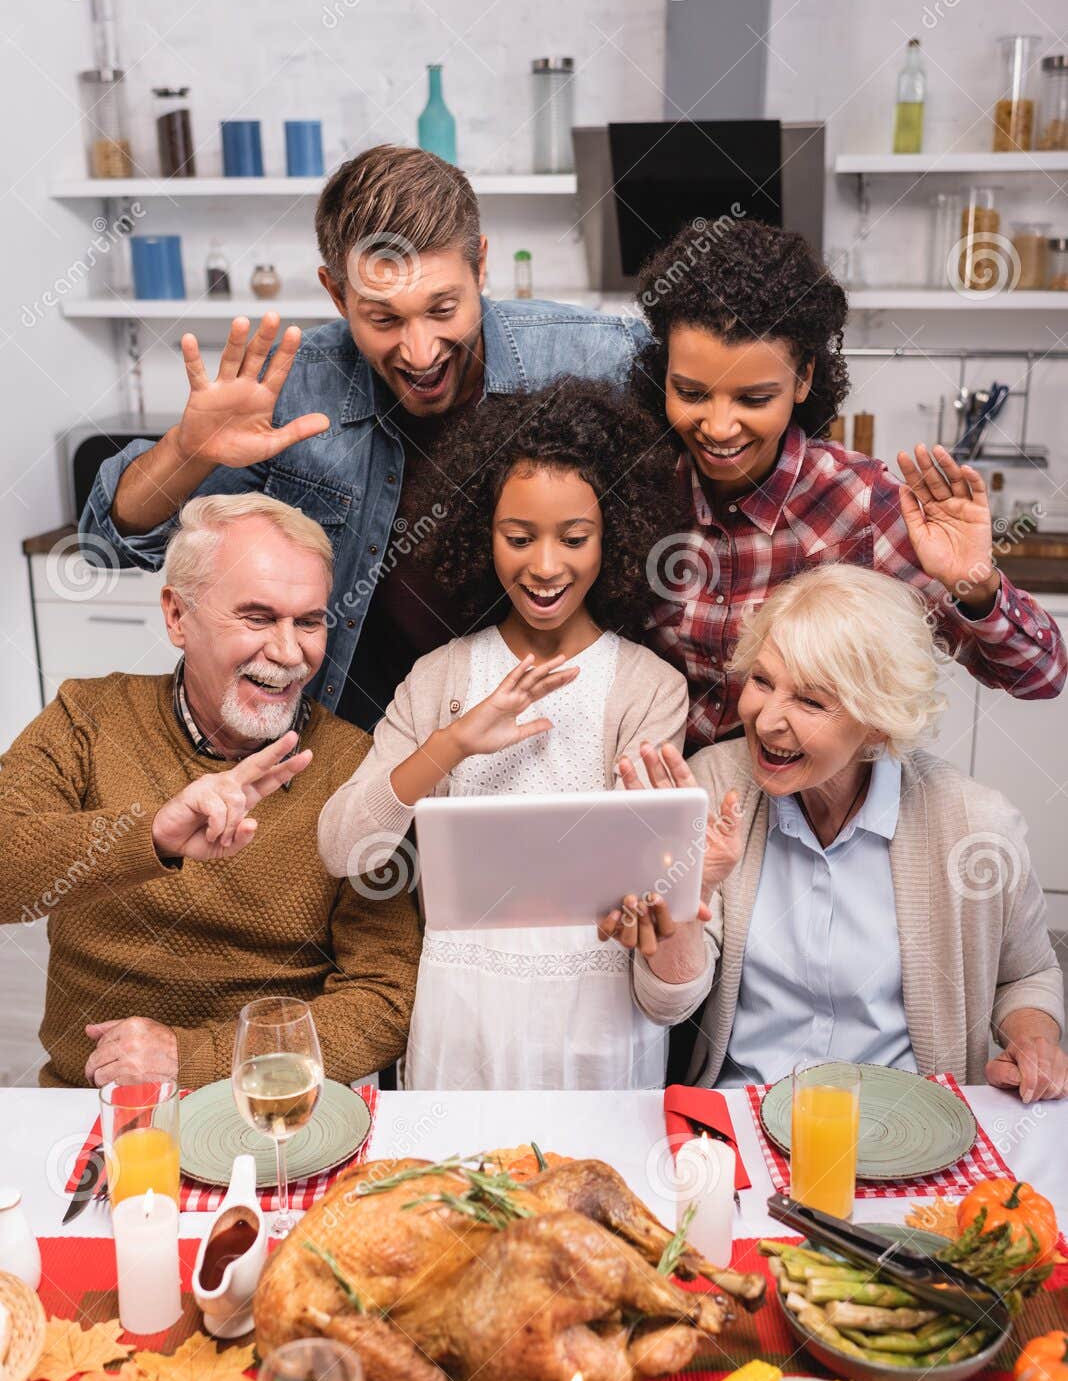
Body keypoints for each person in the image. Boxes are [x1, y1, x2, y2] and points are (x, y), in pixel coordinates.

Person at [80, 145, 646, 732]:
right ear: (336, 293)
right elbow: (107, 544)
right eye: (384, 319)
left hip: (561, 732)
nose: (420, 352)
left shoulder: (599, 355)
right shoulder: (291, 387)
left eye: (442, 309)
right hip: (357, 742)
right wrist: (186, 452)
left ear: (480, 266)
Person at [317, 378, 693, 1091]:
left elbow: (645, 875)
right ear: (480, 533)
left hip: (598, 1015)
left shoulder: (649, 688)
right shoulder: (440, 677)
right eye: (518, 539)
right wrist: (451, 743)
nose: (545, 567)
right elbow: (342, 847)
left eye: (574, 539)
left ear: (614, 537)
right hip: (462, 1014)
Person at [0, 494, 419, 1089]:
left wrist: (195, 1058)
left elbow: (388, 999)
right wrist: (151, 836)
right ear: (177, 616)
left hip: (275, 1106)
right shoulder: (86, 718)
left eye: (308, 622)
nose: (289, 653)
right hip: (94, 1104)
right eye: (257, 618)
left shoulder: (357, 768)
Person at [604, 564, 1067, 1102]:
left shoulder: (976, 825)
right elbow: (667, 1005)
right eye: (762, 681)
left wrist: (1033, 1042)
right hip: (744, 1111)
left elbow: (1026, 974)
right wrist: (690, 896)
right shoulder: (713, 786)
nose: (766, 720)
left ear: (878, 722)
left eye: (811, 701)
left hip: (910, 1122)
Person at [630, 218, 1066, 748]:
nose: (719, 427)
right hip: (665, 785)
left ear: (803, 379)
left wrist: (975, 585)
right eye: (692, 393)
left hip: (799, 788)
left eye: (754, 399)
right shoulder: (636, 484)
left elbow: (1040, 677)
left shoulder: (860, 505)